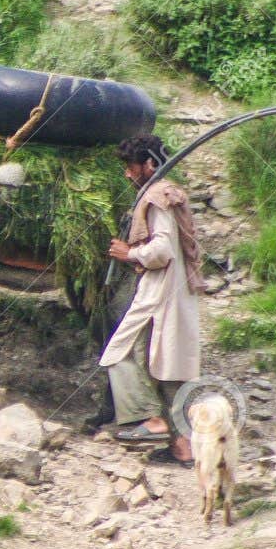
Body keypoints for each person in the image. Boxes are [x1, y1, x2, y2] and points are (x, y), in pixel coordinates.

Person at [99, 134, 204, 465]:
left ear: (150, 165)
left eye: (132, 167)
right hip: (174, 292)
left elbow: (161, 250)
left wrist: (128, 253)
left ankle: (150, 420)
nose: (129, 175)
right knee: (167, 369)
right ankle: (182, 447)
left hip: (159, 292)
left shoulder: (157, 197)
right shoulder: (166, 194)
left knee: (120, 351)